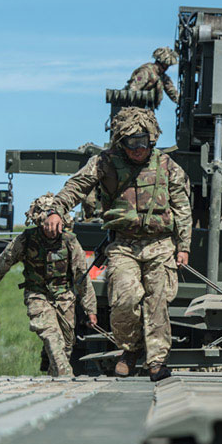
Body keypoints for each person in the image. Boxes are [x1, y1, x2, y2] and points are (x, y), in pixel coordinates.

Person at [43, 108, 191, 381]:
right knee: (125, 299)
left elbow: (182, 207)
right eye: (132, 143)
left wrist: (183, 246)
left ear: (153, 139)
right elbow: (76, 186)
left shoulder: (168, 167)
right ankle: (130, 349)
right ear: (121, 142)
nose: (138, 149)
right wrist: (56, 209)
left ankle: (157, 362)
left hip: (160, 244)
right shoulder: (105, 162)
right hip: (123, 244)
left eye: (144, 142)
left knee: (157, 301)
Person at [0, 195, 98, 377]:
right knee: (52, 338)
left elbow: (81, 277)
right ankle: (65, 378)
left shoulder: (70, 242)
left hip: (64, 298)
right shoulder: (26, 240)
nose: (52, 231)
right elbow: (4, 262)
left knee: (65, 348)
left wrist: (90, 310)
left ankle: (54, 385)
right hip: (37, 296)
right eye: (47, 226)